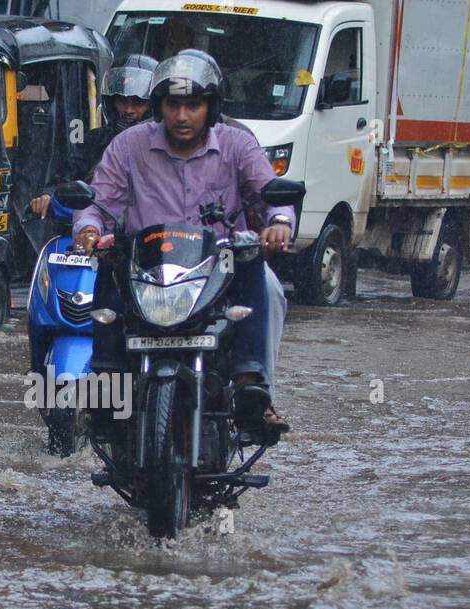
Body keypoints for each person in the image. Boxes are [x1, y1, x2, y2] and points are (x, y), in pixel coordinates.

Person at [72, 51, 294, 442]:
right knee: (108, 257)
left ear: (211, 107)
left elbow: (270, 195)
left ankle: (254, 390)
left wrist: (278, 223)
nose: (182, 116)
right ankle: (106, 386)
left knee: (270, 288)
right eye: (174, 105)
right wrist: (89, 230)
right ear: (160, 107)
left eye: (193, 105)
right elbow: (98, 201)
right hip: (146, 269)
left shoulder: (238, 145)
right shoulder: (128, 146)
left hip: (221, 270)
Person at [28, 54, 158, 218]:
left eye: (138, 102)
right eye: (122, 101)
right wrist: (48, 196)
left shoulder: (167, 145)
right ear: (111, 101)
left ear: (153, 106)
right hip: (95, 227)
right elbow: (65, 176)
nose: (128, 110)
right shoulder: (96, 140)